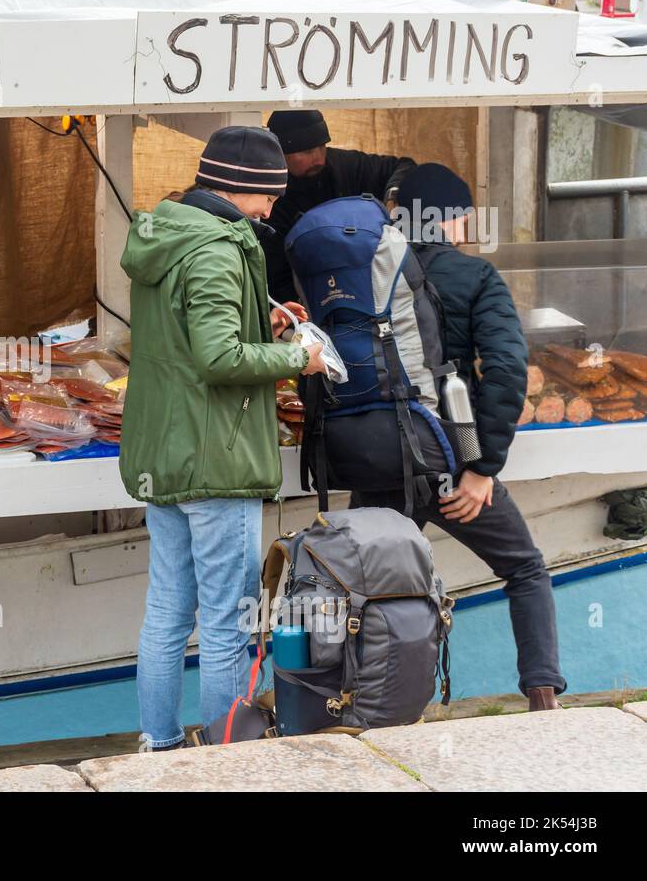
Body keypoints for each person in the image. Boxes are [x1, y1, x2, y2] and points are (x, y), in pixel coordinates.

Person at [119, 126, 327, 750]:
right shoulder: (215, 248)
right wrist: (297, 359)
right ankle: (223, 758)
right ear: (242, 189)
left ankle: (159, 746)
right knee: (228, 621)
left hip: (165, 452)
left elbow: (193, 335)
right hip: (216, 457)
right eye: (269, 197)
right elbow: (218, 359)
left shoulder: (170, 233)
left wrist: (256, 318)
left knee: (165, 613)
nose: (271, 210)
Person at [350, 163, 566, 712]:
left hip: (378, 456)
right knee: (524, 568)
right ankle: (544, 704)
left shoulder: (364, 272)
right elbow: (507, 369)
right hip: (450, 454)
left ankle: (352, 706)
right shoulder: (475, 277)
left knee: (359, 588)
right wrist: (481, 467)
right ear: (456, 217)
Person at [261, 109, 417, 304]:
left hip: (366, 285)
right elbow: (274, 276)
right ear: (281, 154)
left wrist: (393, 194)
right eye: (307, 151)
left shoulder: (346, 165)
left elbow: (404, 166)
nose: (319, 158)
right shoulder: (267, 191)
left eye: (321, 146)